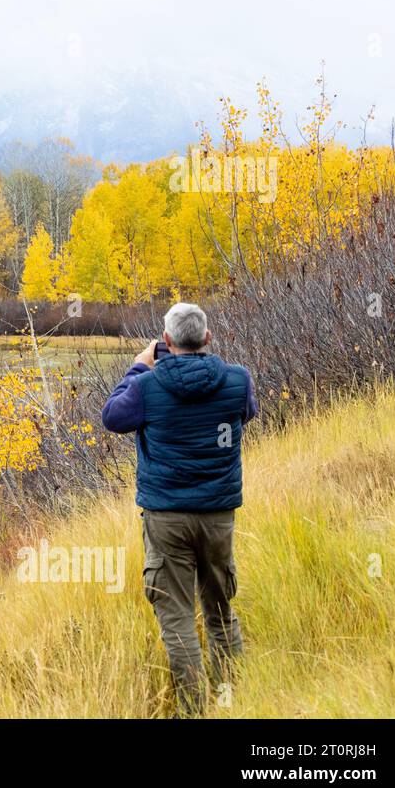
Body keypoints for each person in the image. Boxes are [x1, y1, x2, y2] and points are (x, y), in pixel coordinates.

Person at [101, 302, 258, 716]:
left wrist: (138, 366)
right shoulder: (237, 381)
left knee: (178, 621)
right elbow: (247, 412)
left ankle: (194, 710)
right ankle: (232, 700)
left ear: (166, 342)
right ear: (207, 338)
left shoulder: (146, 386)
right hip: (218, 515)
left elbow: (112, 417)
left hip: (167, 517)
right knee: (221, 611)